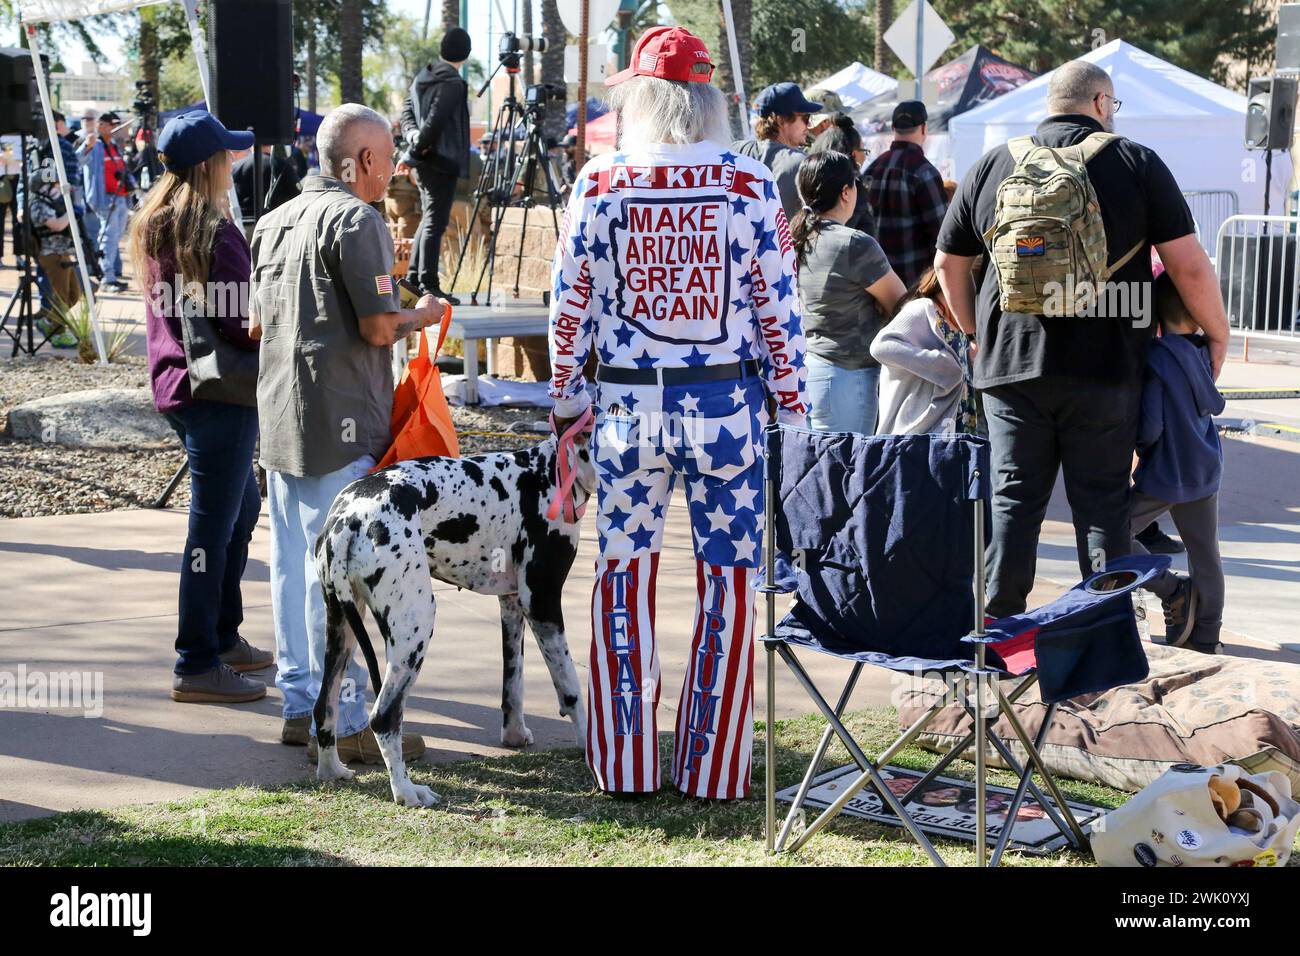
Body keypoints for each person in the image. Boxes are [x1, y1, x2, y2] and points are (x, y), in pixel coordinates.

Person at [548, 25, 808, 800]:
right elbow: (778, 309)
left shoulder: (599, 181)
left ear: (640, 98)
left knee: (622, 574)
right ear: (709, 98)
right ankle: (715, 766)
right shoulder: (746, 181)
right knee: (729, 579)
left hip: (630, 407)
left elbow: (569, 306)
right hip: (726, 406)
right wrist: (793, 411)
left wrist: (567, 401)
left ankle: (625, 762)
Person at [934, 59, 1230, 618]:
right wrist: (1217, 333)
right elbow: (1187, 265)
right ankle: (1105, 638)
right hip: (1108, 368)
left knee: (1013, 505)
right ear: (1100, 104)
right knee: (1102, 512)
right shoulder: (1137, 162)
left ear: (1050, 105)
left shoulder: (993, 165)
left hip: (1011, 367)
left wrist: (977, 335)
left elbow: (949, 263)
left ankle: (998, 644)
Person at [251, 103, 445, 760]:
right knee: (345, 575)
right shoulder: (357, 218)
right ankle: (347, 718)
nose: (394, 171)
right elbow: (377, 327)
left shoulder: (272, 221)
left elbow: (257, 325)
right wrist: (425, 312)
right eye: (388, 160)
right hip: (341, 421)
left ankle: (303, 704)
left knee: (291, 568)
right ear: (362, 160)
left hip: (280, 418)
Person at [128, 110, 274, 702]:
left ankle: (223, 634)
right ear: (211, 164)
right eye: (229, 155)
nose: (236, 162)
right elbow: (244, 327)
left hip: (181, 390)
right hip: (222, 395)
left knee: (240, 510)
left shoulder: (157, 224)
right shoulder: (216, 232)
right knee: (212, 529)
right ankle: (196, 661)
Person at [1130, 273, 1225, 654]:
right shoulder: (1204, 353)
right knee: (1206, 552)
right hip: (1204, 468)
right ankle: (1206, 636)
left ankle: (1171, 589)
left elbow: (1151, 426)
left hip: (1166, 473)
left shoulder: (1157, 359)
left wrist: (1137, 442)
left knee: (1113, 533)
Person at [791, 150, 904, 435]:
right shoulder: (853, 244)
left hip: (808, 369)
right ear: (846, 192)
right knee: (849, 473)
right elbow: (902, 304)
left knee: (823, 473)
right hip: (848, 376)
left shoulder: (797, 237)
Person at [400, 25, 471, 305]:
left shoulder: (423, 76)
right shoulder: (452, 82)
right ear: (465, 55)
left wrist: (412, 141)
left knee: (429, 219)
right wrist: (414, 152)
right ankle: (429, 285)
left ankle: (416, 280)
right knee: (435, 222)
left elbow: (407, 112)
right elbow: (436, 120)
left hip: (426, 161)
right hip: (442, 161)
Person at [871, 268, 977, 435]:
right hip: (913, 437)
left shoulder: (961, 326)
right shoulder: (923, 308)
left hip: (948, 438)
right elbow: (881, 346)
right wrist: (941, 364)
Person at [863, 101, 948, 288]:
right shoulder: (924, 172)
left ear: (893, 127)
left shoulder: (872, 168)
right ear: (924, 128)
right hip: (913, 284)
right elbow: (943, 236)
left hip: (874, 282)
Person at [732, 81, 822, 220]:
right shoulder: (802, 163)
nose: (809, 124)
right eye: (805, 117)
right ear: (780, 120)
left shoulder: (735, 150)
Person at [27, 147, 80, 349]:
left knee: (73, 295)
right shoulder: (38, 205)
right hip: (51, 255)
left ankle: (48, 321)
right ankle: (58, 333)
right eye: (53, 185)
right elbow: (56, 225)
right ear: (42, 187)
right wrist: (71, 213)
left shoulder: (52, 202)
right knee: (61, 296)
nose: (57, 188)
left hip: (63, 253)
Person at [81, 111, 136, 292]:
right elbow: (78, 160)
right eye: (111, 125)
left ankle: (109, 274)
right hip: (105, 199)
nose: (114, 129)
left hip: (120, 198)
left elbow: (121, 168)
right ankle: (107, 278)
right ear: (100, 125)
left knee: (115, 237)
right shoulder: (94, 145)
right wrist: (86, 146)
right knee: (109, 238)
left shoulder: (113, 145)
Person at [809, 113, 876, 237]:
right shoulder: (852, 190)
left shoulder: (808, 184)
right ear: (854, 154)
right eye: (864, 151)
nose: (865, 157)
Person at [232, 144, 301, 238]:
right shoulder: (283, 166)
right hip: (273, 228)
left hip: (243, 227)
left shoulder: (237, 166)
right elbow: (297, 197)